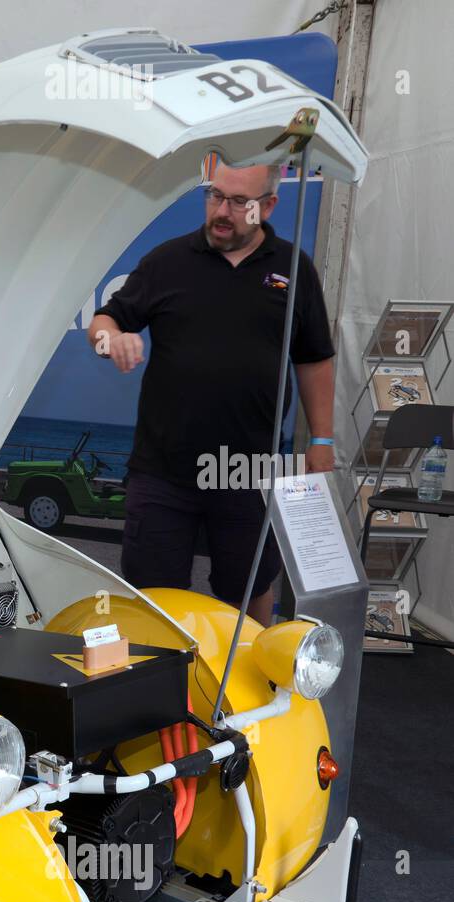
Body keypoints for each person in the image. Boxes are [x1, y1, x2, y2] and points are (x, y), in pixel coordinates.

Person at [87, 162, 336, 626]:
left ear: (268, 205)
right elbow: (105, 322)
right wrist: (110, 341)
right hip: (163, 471)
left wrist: (322, 440)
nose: (222, 211)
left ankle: (250, 695)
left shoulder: (293, 269)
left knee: (250, 591)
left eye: (239, 202)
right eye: (215, 196)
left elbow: (314, 358)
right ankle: (156, 695)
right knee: (154, 601)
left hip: (248, 470)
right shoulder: (167, 262)